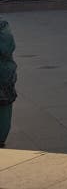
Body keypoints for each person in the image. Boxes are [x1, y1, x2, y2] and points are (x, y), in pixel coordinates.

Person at [0, 19, 17, 148]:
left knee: (4, 106)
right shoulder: (3, 25)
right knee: (4, 107)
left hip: (4, 76)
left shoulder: (3, 26)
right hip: (5, 74)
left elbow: (6, 48)